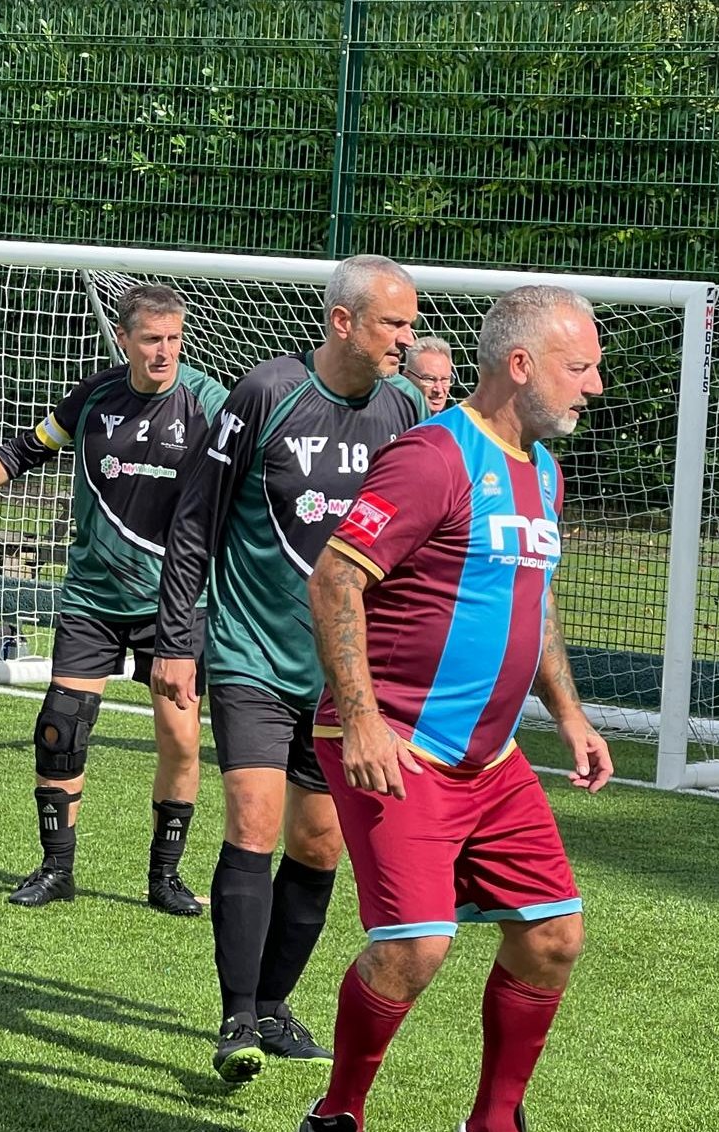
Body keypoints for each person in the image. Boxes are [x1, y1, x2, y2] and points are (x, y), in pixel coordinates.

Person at [297, 285, 613, 1132]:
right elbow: (333, 577)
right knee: (415, 947)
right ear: (521, 366)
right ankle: (339, 1111)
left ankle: (495, 1122)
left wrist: (570, 715)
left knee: (553, 936)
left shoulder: (542, 469)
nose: (594, 386)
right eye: (578, 367)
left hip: (492, 761)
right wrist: (360, 719)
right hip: (401, 745)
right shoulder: (433, 457)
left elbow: (530, 604)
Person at [151, 255, 428, 1082]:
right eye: (394, 325)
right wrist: (177, 638)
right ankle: (235, 1018)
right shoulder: (266, 393)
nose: (406, 343)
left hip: (347, 677)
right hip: (251, 652)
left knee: (320, 846)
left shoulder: (407, 409)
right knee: (254, 824)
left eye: (412, 326)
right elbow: (195, 516)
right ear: (343, 321)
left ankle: (272, 1005)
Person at [0, 284, 227, 916]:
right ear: (124, 339)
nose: (165, 351)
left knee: (179, 739)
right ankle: (56, 869)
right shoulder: (95, 397)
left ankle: (165, 877)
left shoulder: (207, 403)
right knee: (59, 730)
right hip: (93, 596)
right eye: (152, 339)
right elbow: (21, 454)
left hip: (174, 602)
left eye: (174, 339)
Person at [402, 335, 456, 413]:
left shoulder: (457, 423)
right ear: (407, 378)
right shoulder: (392, 420)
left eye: (445, 380)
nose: (439, 390)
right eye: (429, 379)